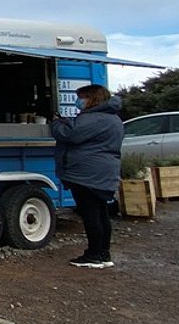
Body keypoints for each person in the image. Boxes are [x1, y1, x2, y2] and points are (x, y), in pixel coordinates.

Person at [50, 84, 124, 268]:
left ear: (92, 98)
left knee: (90, 214)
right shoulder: (113, 118)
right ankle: (103, 254)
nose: (78, 101)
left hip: (87, 174)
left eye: (81, 97)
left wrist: (56, 123)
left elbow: (70, 134)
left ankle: (93, 255)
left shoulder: (94, 118)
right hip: (102, 173)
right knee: (101, 214)